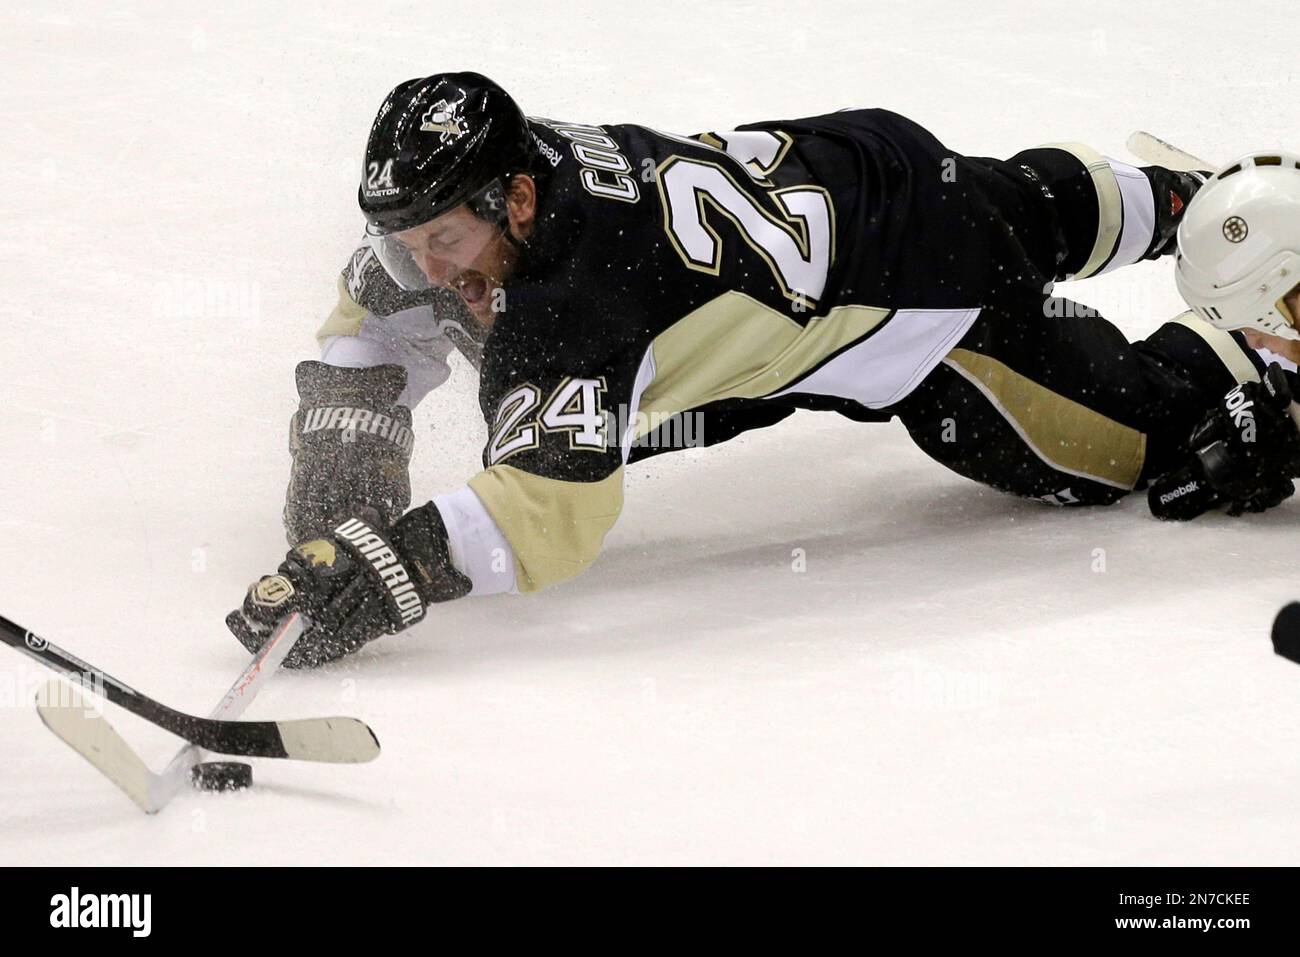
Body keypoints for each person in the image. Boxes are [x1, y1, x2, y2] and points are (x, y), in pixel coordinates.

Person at [226, 71, 1296, 667]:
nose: (424, 266)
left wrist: (378, 570)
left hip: (929, 309)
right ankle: (1202, 198)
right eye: (406, 236)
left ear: (512, 199)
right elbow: (367, 336)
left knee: (1133, 451)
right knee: (1015, 196)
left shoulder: (572, 310)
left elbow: (551, 513)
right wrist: (335, 498)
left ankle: (1257, 348)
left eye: (442, 240)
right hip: (858, 159)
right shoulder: (522, 173)